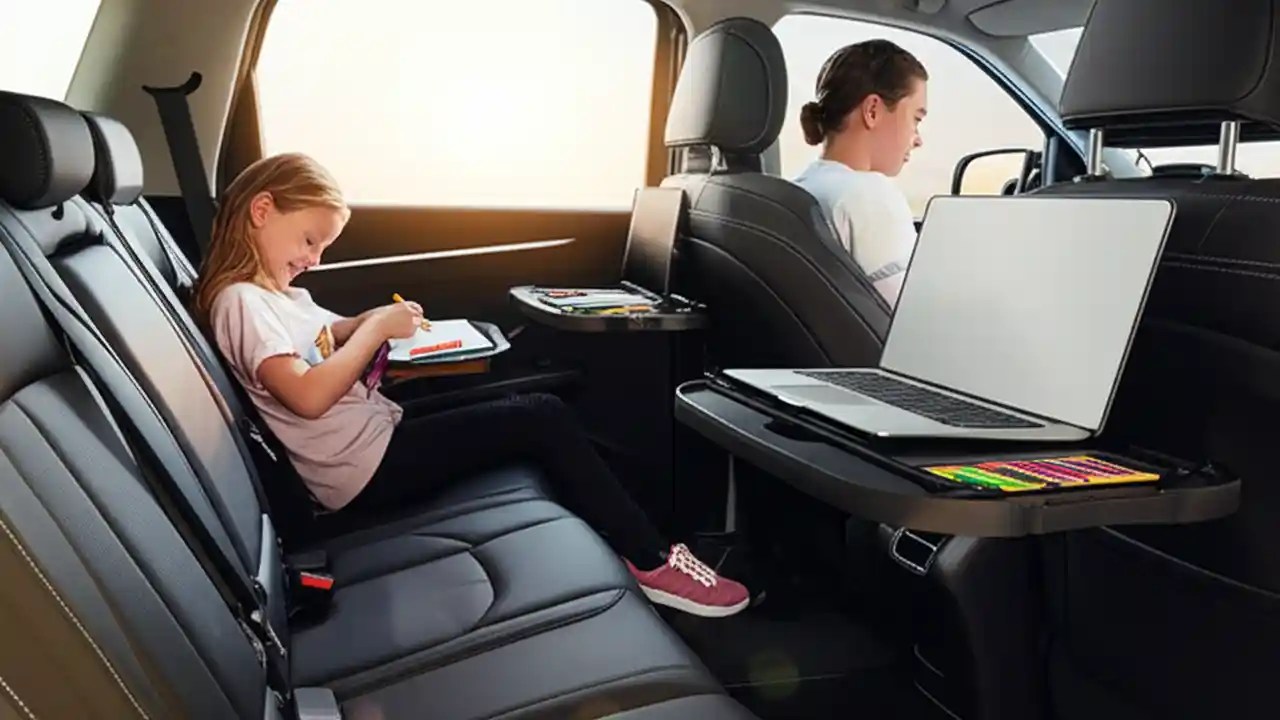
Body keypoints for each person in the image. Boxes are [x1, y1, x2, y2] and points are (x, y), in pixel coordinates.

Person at [192, 153, 749, 618]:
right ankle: (650, 560)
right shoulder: (241, 302)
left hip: (376, 434)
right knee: (538, 417)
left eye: (322, 249)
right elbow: (307, 396)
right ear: (262, 211)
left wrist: (364, 325)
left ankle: (644, 532)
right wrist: (376, 331)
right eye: (310, 241)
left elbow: (318, 340)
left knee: (540, 408)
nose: (313, 260)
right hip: (361, 470)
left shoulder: (275, 296)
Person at [793, 39, 929, 308]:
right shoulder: (868, 196)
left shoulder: (800, 189)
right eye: (916, 118)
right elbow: (916, 320)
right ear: (873, 111)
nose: (918, 139)